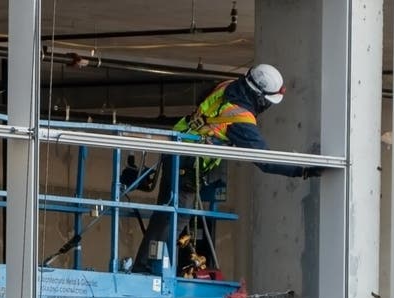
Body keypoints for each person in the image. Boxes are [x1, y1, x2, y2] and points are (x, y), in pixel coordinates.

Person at [128, 63, 322, 273]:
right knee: (176, 217)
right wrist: (301, 169)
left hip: (178, 147)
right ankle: (150, 268)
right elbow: (266, 160)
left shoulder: (227, 85)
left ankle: (146, 264)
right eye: (267, 102)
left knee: (167, 215)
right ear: (259, 97)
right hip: (188, 162)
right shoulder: (240, 119)